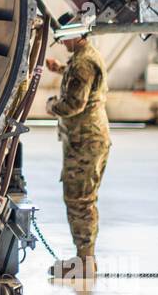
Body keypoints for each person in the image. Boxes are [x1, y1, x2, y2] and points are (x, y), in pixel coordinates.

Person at [44, 22, 110, 279]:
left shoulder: (83, 63)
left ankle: (85, 263)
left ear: (75, 36)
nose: (61, 44)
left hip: (85, 141)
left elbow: (74, 104)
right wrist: (60, 70)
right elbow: (80, 79)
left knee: (80, 200)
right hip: (86, 139)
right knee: (82, 198)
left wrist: (51, 106)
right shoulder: (84, 58)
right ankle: (84, 259)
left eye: (63, 39)